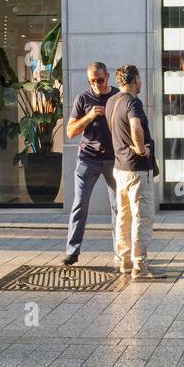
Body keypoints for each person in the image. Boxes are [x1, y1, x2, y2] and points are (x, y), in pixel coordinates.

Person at [62, 62, 120, 265]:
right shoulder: (83, 98)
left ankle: (120, 253)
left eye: (100, 80)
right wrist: (90, 116)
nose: (97, 85)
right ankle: (72, 251)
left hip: (114, 160)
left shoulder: (118, 96)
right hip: (88, 158)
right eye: (92, 81)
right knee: (79, 204)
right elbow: (70, 132)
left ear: (108, 76)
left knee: (118, 207)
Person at [106, 64, 160, 279]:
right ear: (135, 79)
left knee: (124, 216)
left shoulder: (112, 101)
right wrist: (140, 148)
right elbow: (135, 126)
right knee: (142, 216)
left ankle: (125, 261)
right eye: (140, 79)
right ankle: (140, 265)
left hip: (120, 167)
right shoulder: (132, 102)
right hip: (137, 169)